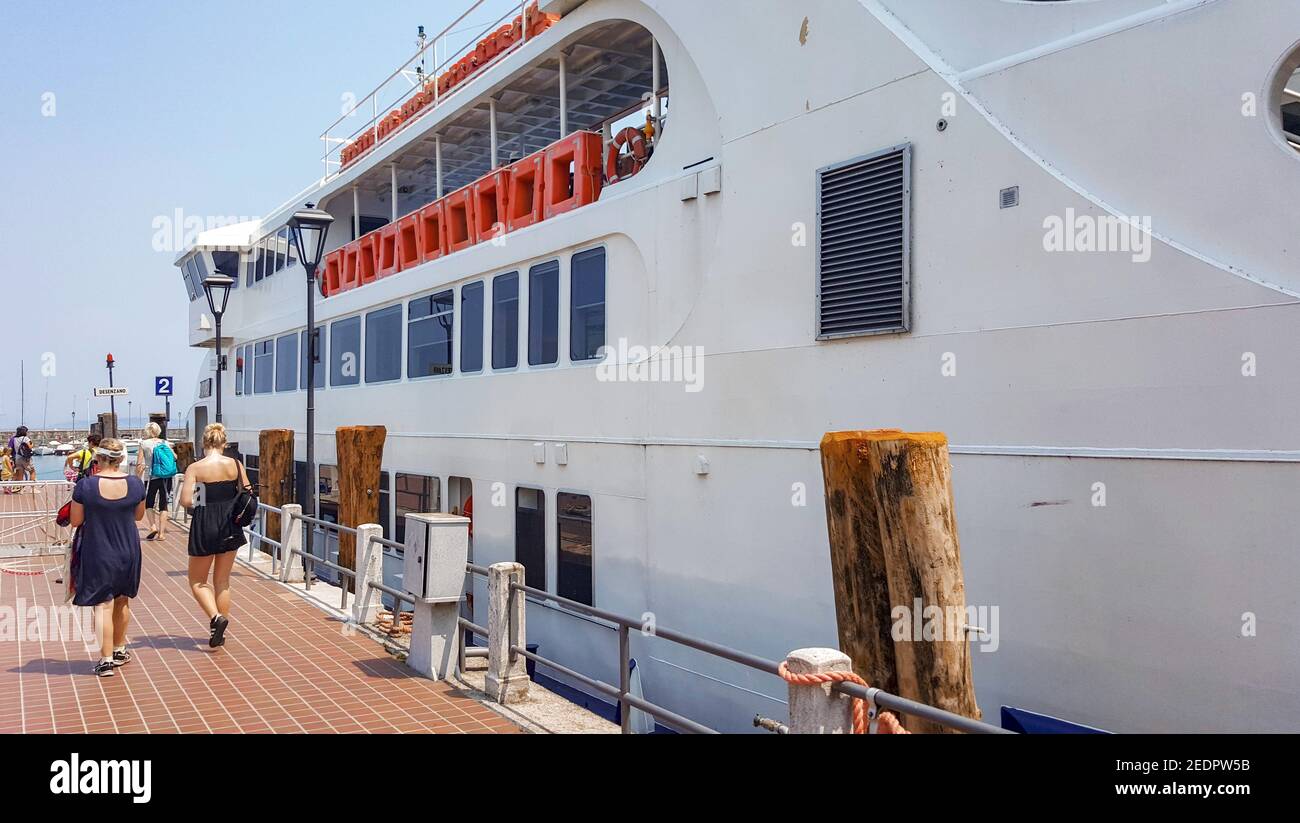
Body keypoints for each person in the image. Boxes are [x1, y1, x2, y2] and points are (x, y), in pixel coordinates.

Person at [68, 438, 146, 677]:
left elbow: (75, 521)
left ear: (97, 458)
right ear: (121, 459)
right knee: (123, 601)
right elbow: (139, 516)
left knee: (103, 604)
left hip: (99, 549)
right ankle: (120, 649)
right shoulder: (135, 484)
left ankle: (106, 660)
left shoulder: (86, 486)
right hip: (128, 549)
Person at [178, 422, 249, 648]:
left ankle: (216, 618)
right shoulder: (236, 464)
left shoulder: (196, 468)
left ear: (204, 443)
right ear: (223, 442)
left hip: (205, 524)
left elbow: (186, 501)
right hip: (230, 525)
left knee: (198, 581)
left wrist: (204, 495)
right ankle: (221, 631)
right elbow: (247, 492)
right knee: (222, 580)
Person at [134, 423, 177, 541]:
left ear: (147, 431)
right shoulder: (165, 443)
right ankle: (162, 533)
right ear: (158, 431)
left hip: (151, 477)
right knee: (164, 504)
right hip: (166, 477)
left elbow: (139, 463)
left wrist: (136, 477)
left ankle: (153, 527)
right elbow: (175, 457)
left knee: (149, 503)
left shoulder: (144, 443)